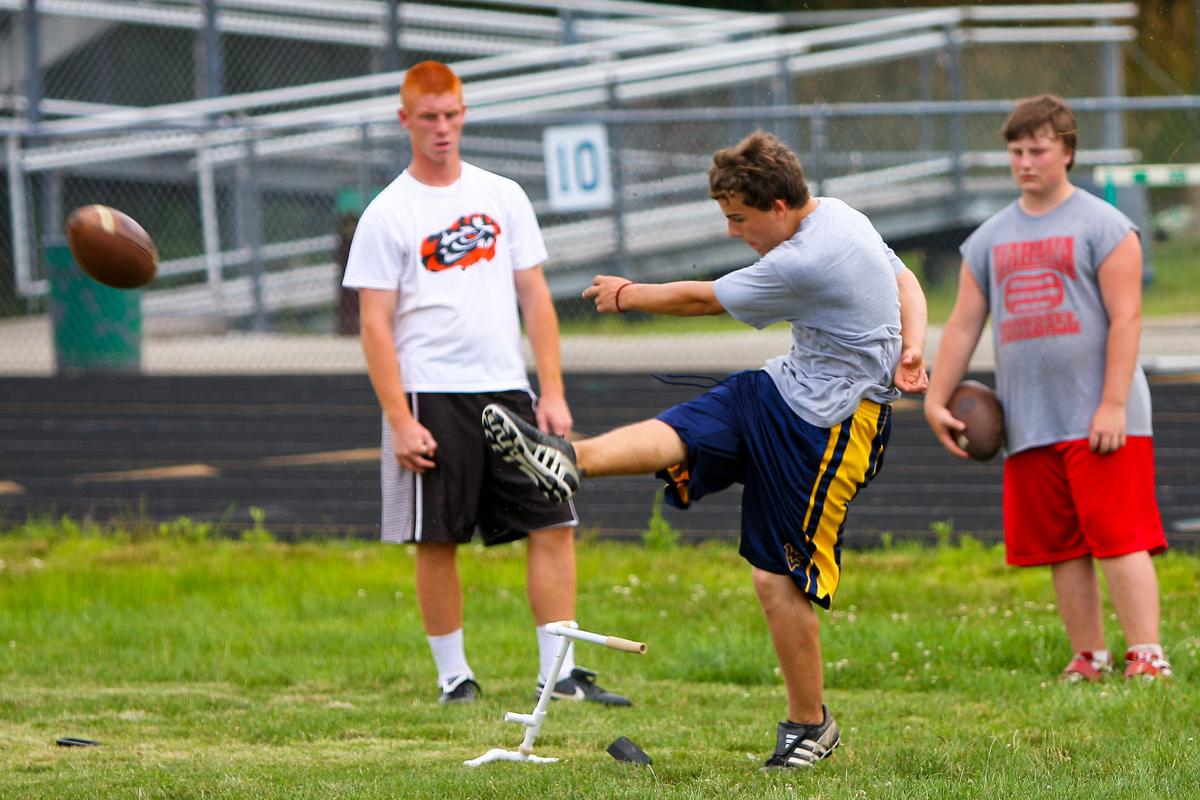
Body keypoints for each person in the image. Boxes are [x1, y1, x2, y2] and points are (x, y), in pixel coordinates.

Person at [481, 130, 929, 769]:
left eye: (738, 219)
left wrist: (628, 294)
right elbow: (905, 277)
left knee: (777, 579)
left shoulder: (808, 257)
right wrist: (912, 345)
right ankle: (567, 460)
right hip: (782, 387)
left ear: (778, 208)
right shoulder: (837, 211)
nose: (731, 231)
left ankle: (811, 727)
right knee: (689, 428)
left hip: (832, 426)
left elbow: (704, 297)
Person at [342, 60, 630, 707]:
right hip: (428, 393)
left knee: (555, 521)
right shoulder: (389, 213)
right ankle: (455, 680)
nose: (442, 129)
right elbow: (374, 324)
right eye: (428, 118)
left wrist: (550, 391)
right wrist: (398, 419)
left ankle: (559, 674)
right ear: (405, 120)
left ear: (464, 114)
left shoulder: (503, 195)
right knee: (438, 537)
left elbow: (536, 297)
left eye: (451, 115)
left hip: (508, 390)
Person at [923, 94, 1171, 682]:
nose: (1026, 161)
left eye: (1038, 149)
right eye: (1016, 150)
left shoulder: (1106, 226)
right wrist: (935, 398)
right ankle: (1090, 655)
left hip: (1102, 416)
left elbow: (1127, 318)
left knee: (1119, 537)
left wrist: (1112, 403)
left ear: (1067, 151)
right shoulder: (987, 239)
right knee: (1061, 545)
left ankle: (1146, 653)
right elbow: (962, 323)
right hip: (1030, 417)